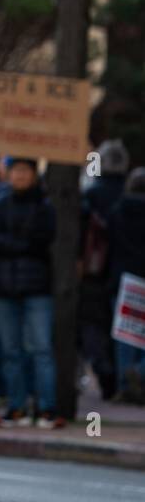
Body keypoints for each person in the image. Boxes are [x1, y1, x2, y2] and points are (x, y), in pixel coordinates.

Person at [0, 157, 60, 427]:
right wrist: (19, 244)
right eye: (15, 171)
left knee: (40, 348)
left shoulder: (44, 207)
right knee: (10, 350)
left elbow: (41, 241)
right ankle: (16, 406)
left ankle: (47, 408)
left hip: (36, 286)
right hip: (4, 287)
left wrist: (11, 244)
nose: (19, 176)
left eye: (24, 171)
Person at [79, 139, 131, 400]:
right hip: (125, 272)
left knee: (95, 327)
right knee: (124, 329)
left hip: (95, 272)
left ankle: (108, 376)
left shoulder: (92, 193)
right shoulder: (128, 192)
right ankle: (123, 380)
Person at [107, 167, 145, 403]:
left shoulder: (117, 210)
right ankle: (139, 374)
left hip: (122, 278)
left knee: (125, 335)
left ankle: (125, 383)